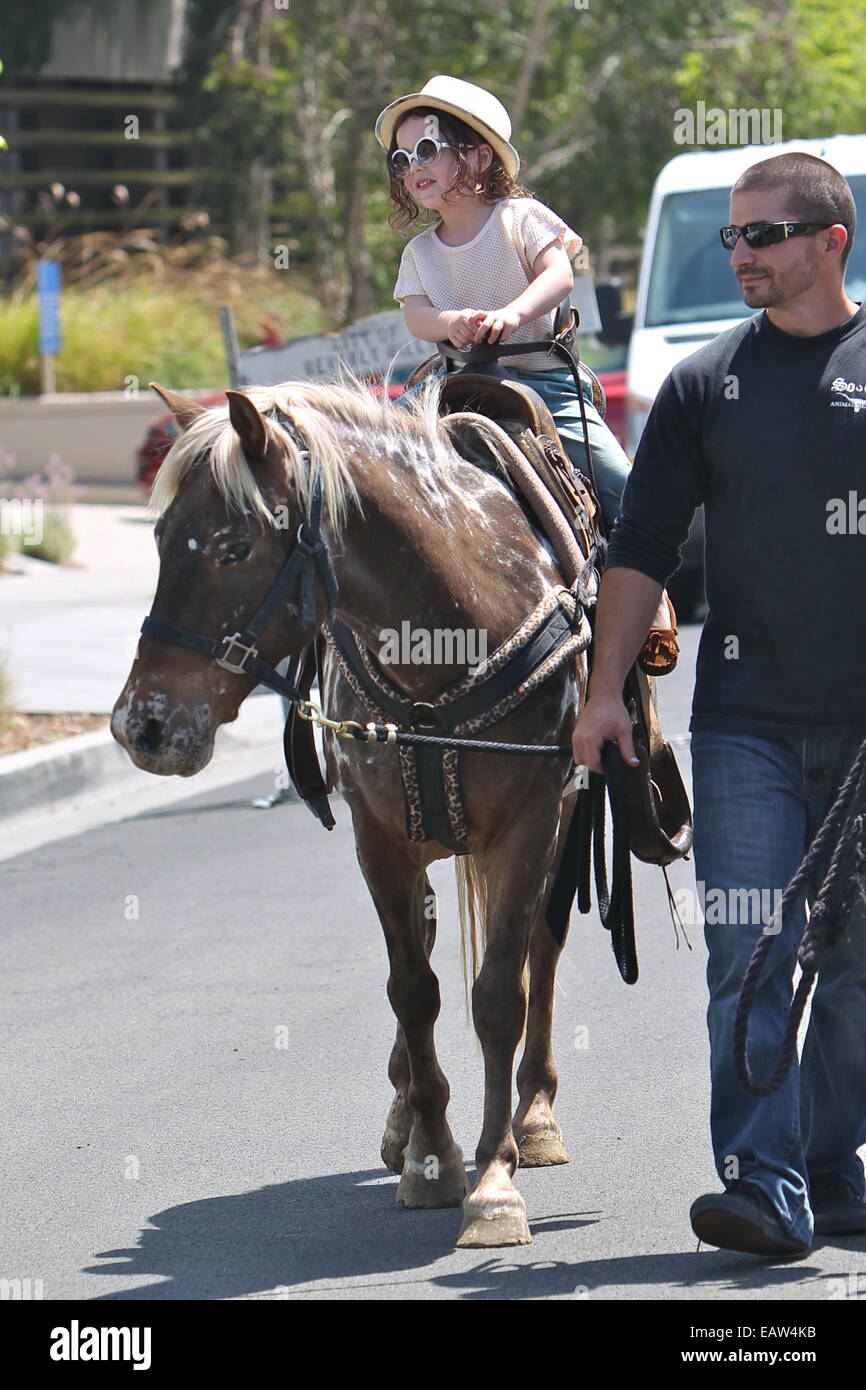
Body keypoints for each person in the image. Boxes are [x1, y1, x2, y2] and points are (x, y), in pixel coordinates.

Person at [572, 150, 866, 1256]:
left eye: (760, 235)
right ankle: (761, 1179)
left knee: (853, 966)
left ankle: (829, 1167)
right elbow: (639, 543)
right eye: (728, 238)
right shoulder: (702, 384)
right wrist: (604, 695)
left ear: (828, 241)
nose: (737, 253)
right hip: (743, 722)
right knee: (749, 944)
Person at [374, 74, 676, 665]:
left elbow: (559, 275)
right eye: (403, 158)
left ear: (480, 155)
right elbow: (416, 316)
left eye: (429, 150)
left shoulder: (521, 217)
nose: (414, 167)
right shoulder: (420, 253)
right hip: (456, 382)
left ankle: (650, 590)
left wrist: (513, 314)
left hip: (539, 377)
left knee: (617, 475)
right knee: (379, 456)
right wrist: (450, 322)